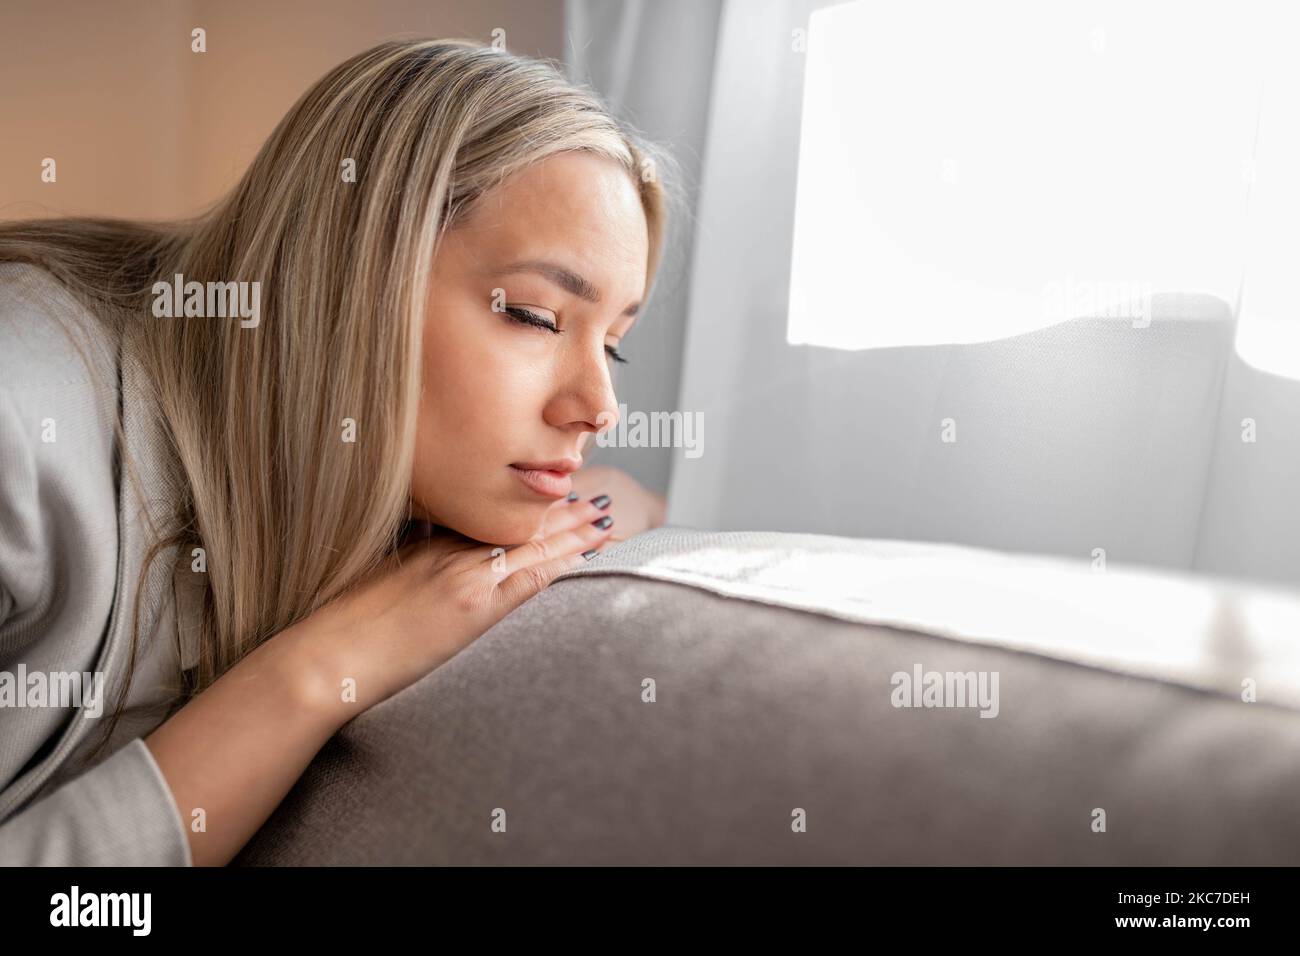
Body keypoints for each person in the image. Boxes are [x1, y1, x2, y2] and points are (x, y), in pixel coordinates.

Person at [0, 38, 670, 866]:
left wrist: (599, 511)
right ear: (356, 273)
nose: (601, 407)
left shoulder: (355, 497)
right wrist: (322, 670)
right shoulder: (19, 424)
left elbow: (632, 502)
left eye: (618, 345)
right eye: (535, 317)